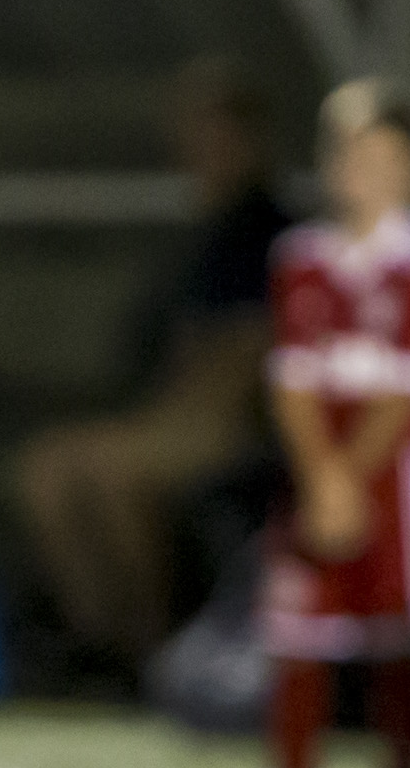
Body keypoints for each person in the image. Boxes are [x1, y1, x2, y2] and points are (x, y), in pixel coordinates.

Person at [246, 80, 410, 768]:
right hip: (318, 481)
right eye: (346, 154)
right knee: (298, 632)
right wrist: (322, 477)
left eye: (379, 157)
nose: (359, 171)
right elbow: (292, 378)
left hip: (394, 484)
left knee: (395, 641)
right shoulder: (302, 260)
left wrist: (350, 475)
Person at [15, 60, 289, 668]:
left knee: (115, 478)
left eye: (214, 131)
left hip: (226, 426)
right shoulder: (205, 232)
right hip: (169, 415)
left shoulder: (268, 230)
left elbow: (242, 360)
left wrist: (183, 413)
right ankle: (102, 643)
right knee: (49, 469)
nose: (198, 147)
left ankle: (153, 647)